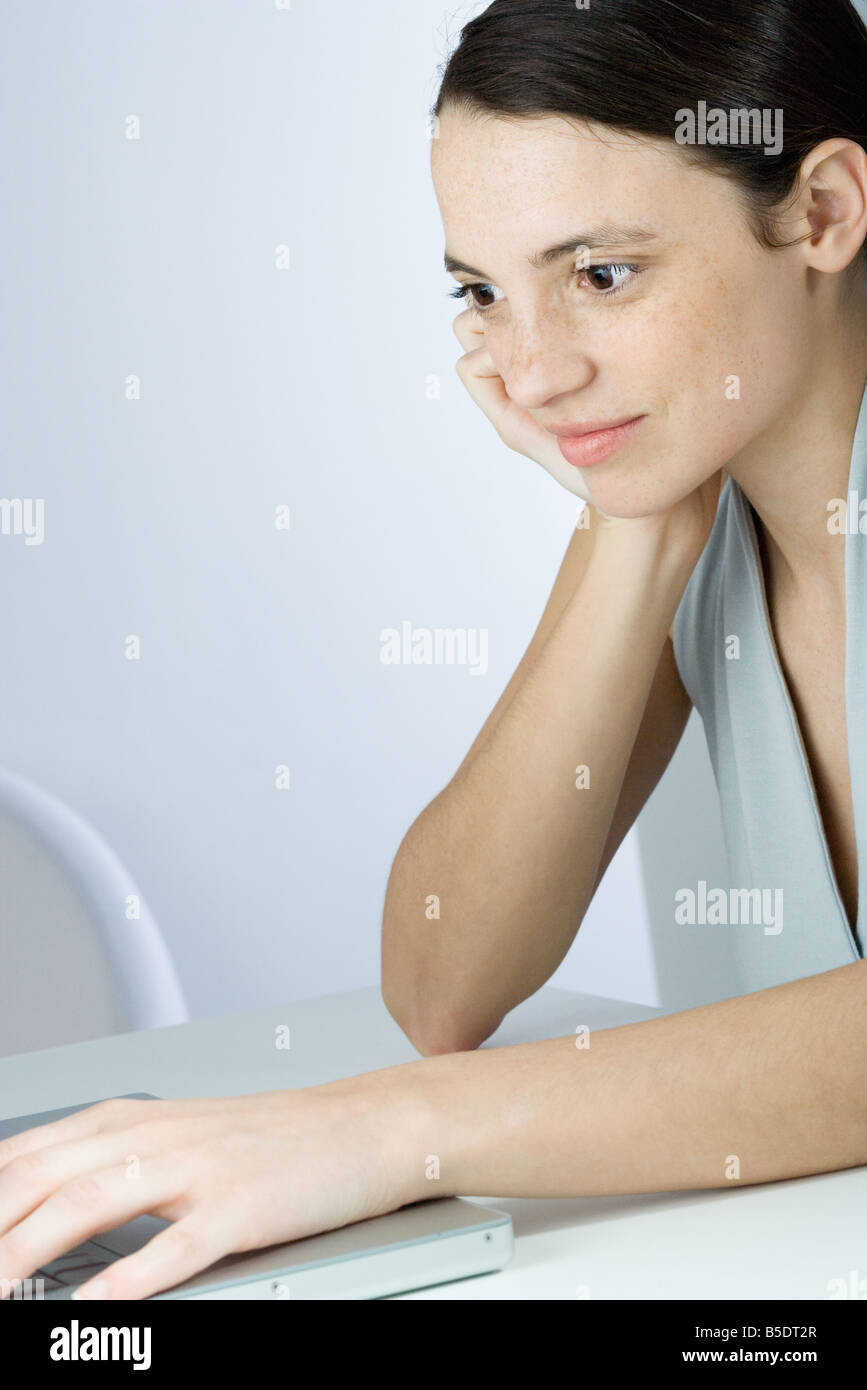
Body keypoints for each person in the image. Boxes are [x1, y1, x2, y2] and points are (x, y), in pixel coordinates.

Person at [2, 0, 866, 1302]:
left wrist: (386, 1128)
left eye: (601, 274)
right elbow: (445, 978)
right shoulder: (690, 501)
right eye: (481, 293)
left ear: (824, 211)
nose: (529, 371)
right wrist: (628, 542)